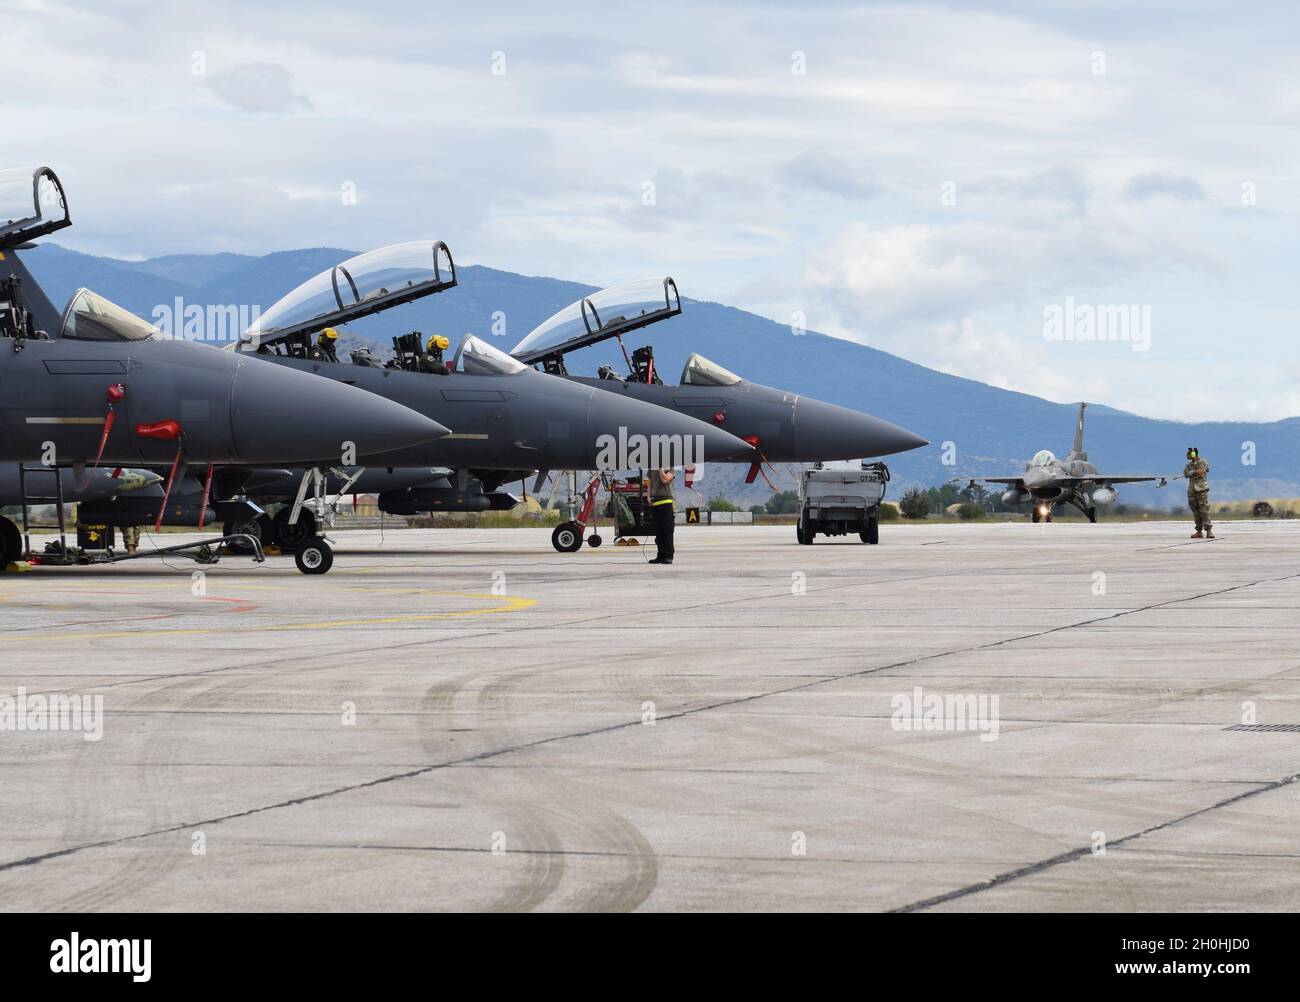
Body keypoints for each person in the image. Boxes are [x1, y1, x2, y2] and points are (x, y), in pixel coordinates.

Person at [1182, 446, 1214, 540]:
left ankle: (1209, 531)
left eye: (1188, 453)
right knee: (1196, 512)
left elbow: (1201, 471)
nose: (1187, 455)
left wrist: (1193, 472)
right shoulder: (1188, 465)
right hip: (1192, 491)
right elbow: (1186, 474)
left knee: (1204, 511)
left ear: (1193, 454)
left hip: (1201, 490)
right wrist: (1194, 472)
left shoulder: (1203, 462)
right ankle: (1199, 531)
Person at [648, 468, 675, 564]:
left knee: (667, 531)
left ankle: (668, 556)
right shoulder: (651, 469)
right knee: (658, 532)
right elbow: (650, 483)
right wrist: (648, 496)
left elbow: (664, 480)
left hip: (666, 502)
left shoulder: (671, 469)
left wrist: (660, 468)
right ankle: (660, 555)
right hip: (655, 502)